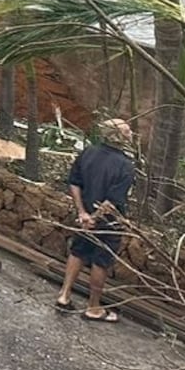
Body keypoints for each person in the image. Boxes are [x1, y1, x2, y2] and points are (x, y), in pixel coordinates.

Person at [55, 119, 136, 323]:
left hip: (85, 218)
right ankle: (94, 307)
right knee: (101, 261)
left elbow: (74, 182)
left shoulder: (88, 152)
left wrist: (83, 213)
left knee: (78, 251)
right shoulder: (126, 166)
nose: (131, 133)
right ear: (119, 137)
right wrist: (94, 218)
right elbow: (112, 200)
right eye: (128, 131)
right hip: (108, 223)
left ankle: (64, 295)